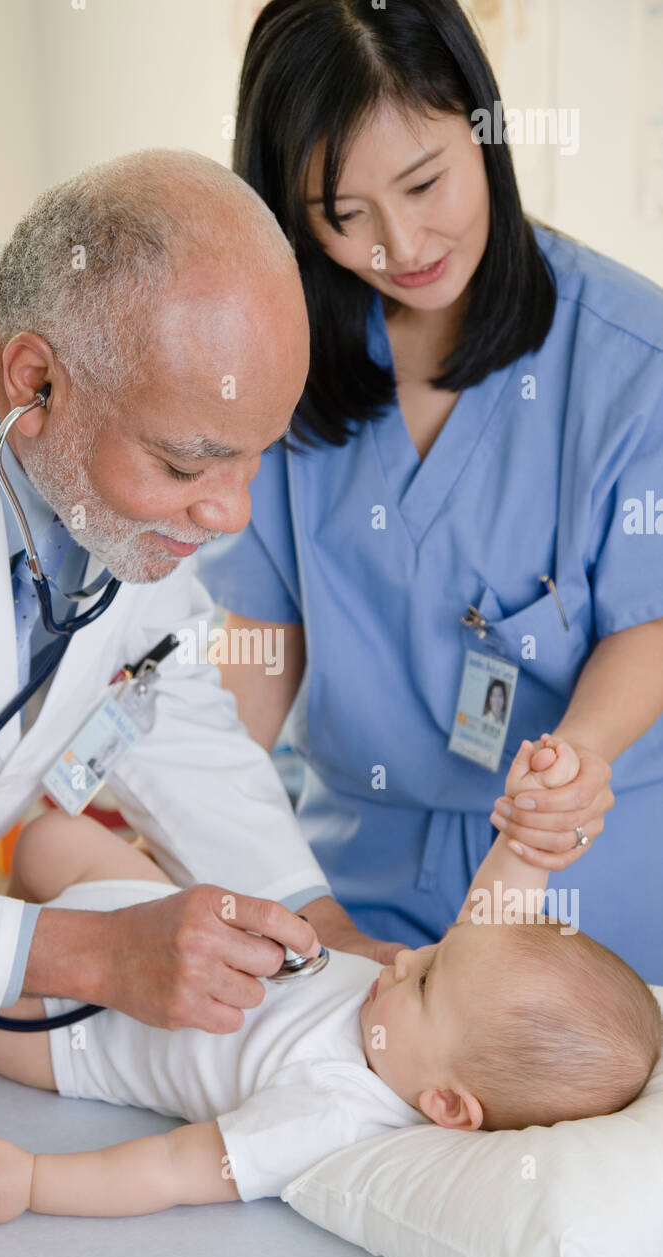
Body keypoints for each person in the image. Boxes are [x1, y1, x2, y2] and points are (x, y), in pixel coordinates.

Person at [0, 148, 376, 1072]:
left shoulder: (118, 376)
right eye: (189, 466)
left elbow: (156, 692)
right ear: (34, 385)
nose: (234, 513)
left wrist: (313, 919)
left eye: (257, 453)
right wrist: (99, 955)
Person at [196, 0, 663, 981]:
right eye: (343, 215)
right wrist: (183, 798)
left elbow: (646, 615)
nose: (401, 244)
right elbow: (253, 648)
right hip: (353, 883)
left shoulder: (631, 361)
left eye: (423, 182)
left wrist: (572, 761)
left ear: (481, 130)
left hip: (587, 877)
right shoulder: (284, 370)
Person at [0, 734, 662, 1223]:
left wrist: (33, 1182)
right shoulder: (446, 1026)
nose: (402, 958)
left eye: (424, 983)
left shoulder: (333, 1113)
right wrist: (531, 821)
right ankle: (1, 911)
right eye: (436, 952)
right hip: (147, 917)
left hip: (88, 1030)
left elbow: (168, 1168)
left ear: (446, 1105)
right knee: (49, 840)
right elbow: (497, 910)